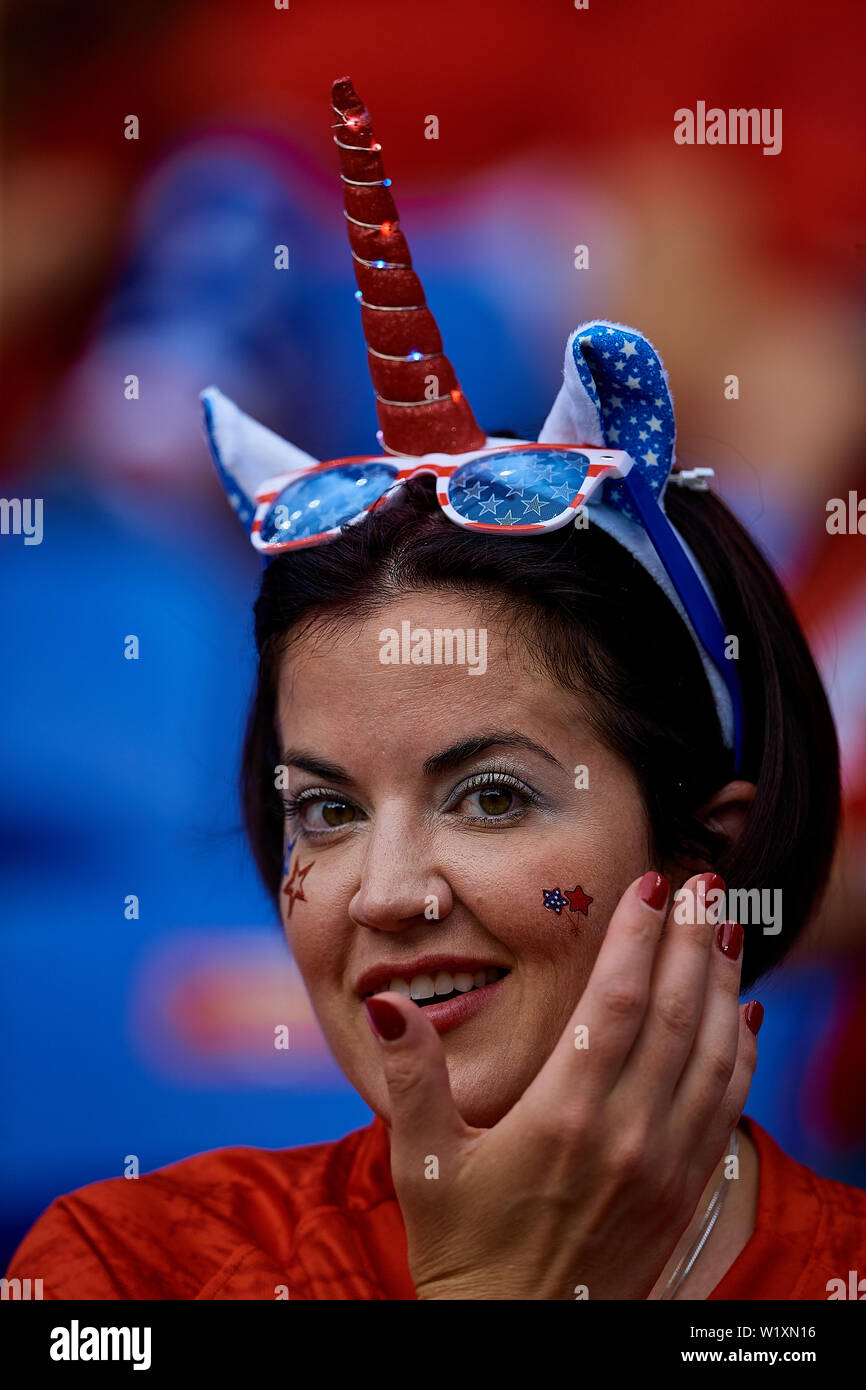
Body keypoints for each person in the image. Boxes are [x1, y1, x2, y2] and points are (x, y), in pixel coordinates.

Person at [7, 77, 866, 1302]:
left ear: (698, 867)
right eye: (326, 811)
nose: (386, 896)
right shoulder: (124, 1272)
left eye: (492, 797)